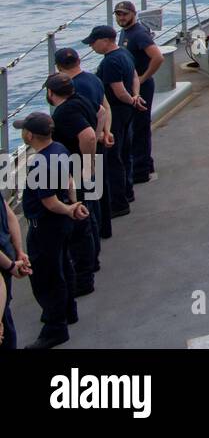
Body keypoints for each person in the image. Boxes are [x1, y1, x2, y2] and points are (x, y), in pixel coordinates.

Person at [15, 111, 90, 349]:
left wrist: (67, 210)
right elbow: (68, 180)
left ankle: (55, 328)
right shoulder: (59, 148)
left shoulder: (39, 163)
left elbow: (48, 202)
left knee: (46, 277)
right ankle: (69, 311)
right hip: (62, 223)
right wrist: (73, 204)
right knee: (64, 265)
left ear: (30, 135)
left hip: (46, 226)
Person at [44, 73, 101, 293]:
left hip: (77, 170)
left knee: (80, 223)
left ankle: (84, 274)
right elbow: (102, 112)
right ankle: (92, 260)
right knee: (90, 216)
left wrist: (88, 164)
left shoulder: (65, 111)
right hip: (85, 165)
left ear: (51, 92)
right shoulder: (81, 100)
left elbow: (86, 135)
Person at [55, 47, 113, 240]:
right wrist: (104, 133)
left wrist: (88, 159)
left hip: (82, 153)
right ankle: (104, 229)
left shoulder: (70, 97)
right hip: (95, 147)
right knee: (98, 192)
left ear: (58, 67)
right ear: (79, 61)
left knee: (86, 199)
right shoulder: (93, 79)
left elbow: (85, 133)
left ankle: (92, 241)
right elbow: (103, 110)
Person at [87, 24, 140, 213]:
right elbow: (134, 76)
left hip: (116, 112)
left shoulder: (110, 62)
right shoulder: (125, 53)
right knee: (126, 152)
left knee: (114, 158)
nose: (92, 46)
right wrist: (135, 97)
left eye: (94, 42)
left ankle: (119, 203)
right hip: (127, 111)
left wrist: (129, 99)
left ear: (106, 41)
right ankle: (128, 191)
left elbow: (118, 91)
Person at [114, 1, 163, 183]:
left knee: (139, 127)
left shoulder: (139, 34)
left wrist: (142, 78)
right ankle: (145, 164)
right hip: (132, 86)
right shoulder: (126, 32)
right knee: (135, 126)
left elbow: (157, 57)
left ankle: (140, 171)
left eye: (125, 14)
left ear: (133, 14)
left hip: (141, 87)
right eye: (118, 15)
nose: (121, 18)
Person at [0, 198, 31, 349]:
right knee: (6, 321)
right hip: (6, 258)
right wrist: (18, 252)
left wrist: (12, 264)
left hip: (4, 263)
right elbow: (10, 215)